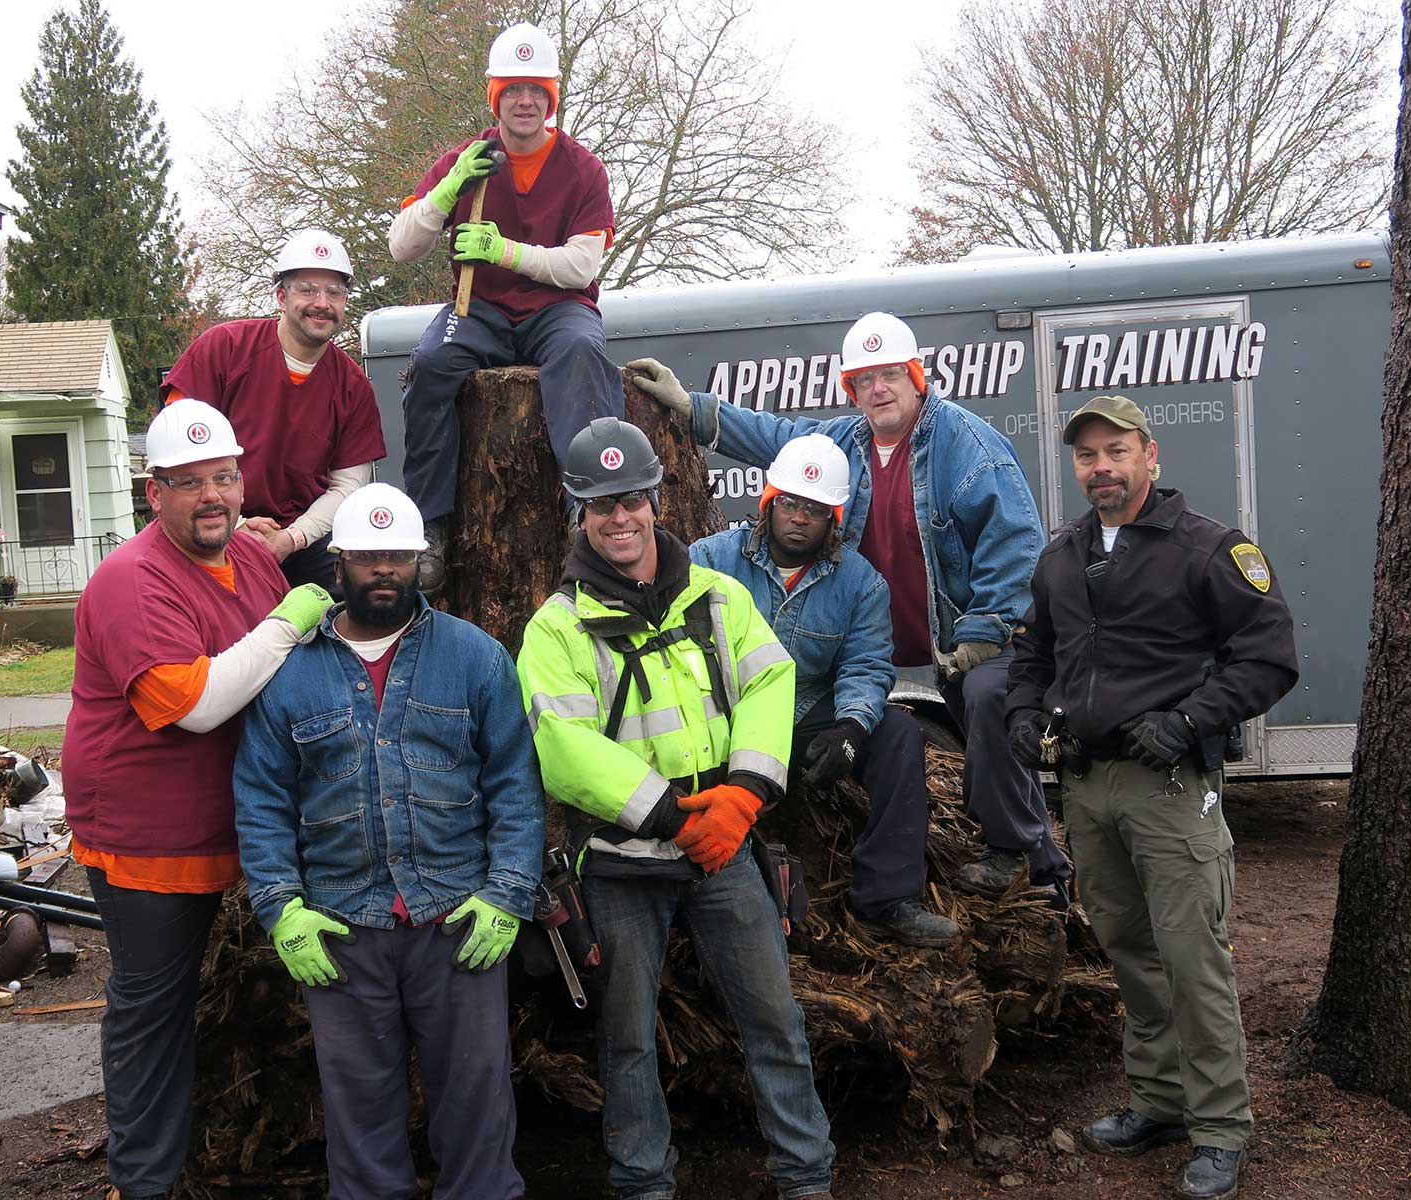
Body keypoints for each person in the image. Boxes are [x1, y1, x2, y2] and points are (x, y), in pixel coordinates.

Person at [628, 313, 1067, 897]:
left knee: (990, 701)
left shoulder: (968, 445)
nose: (878, 388)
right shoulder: (846, 443)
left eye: (890, 374)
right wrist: (693, 408)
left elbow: (1013, 542)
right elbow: (777, 440)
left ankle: (1023, 858)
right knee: (939, 729)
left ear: (917, 376)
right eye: (864, 379)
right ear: (851, 389)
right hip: (877, 629)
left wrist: (985, 629)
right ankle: (1037, 859)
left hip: (963, 634)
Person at [517, 418, 835, 1200]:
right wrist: (674, 818)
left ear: (656, 499)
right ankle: (643, 1183)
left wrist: (746, 795)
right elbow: (562, 747)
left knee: (775, 1022)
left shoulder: (716, 597)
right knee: (626, 1041)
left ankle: (806, 1176)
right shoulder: (555, 629)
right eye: (601, 505)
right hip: (626, 863)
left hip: (725, 846)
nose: (619, 518)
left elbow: (770, 681)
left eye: (631, 500)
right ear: (578, 512)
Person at [1004, 395, 1298, 1200]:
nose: (1101, 468)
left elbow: (1268, 658)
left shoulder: (1209, 550)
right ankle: (1161, 1101)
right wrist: (1025, 716)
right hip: (1089, 787)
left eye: (1115, 451)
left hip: (1170, 788)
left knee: (1192, 955)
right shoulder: (1060, 557)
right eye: (1086, 456)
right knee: (1129, 949)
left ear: (1150, 455)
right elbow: (1034, 655)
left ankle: (1220, 1129)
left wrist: (1189, 718)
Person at [233, 481, 544, 1200]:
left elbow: (516, 787)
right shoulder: (289, 672)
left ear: (420, 563)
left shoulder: (475, 658)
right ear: (337, 566)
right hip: (342, 929)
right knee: (360, 1114)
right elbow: (261, 799)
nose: (384, 572)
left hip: (458, 922)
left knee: (476, 1108)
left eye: (398, 558)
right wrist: (281, 908)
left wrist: (507, 894)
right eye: (368, 558)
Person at [61, 400, 334, 1200]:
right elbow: (199, 704)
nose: (213, 496)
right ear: (155, 492)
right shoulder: (129, 583)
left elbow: (281, 679)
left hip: (243, 821)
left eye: (225, 477)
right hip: (145, 835)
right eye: (190, 483)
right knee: (153, 1007)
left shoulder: (251, 560)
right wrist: (287, 625)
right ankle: (144, 1182)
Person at [689, 434, 957, 948]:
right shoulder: (710, 559)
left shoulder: (860, 584)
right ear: (768, 502)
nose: (798, 518)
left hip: (804, 711)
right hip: (723, 716)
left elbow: (866, 664)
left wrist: (852, 728)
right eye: (788, 503)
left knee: (899, 734)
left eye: (814, 509)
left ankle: (888, 898)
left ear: (834, 518)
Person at [387, 21, 623, 593]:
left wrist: (504, 250)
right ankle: (432, 528)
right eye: (513, 89)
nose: (525, 100)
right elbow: (401, 246)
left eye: (536, 89)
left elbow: (581, 267)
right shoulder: (466, 160)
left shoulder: (583, 168)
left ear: (550, 98)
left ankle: (587, 509)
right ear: (496, 96)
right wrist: (446, 194)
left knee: (581, 352)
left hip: (558, 309)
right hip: (480, 309)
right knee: (432, 365)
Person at [161, 228, 387, 587]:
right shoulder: (224, 348)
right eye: (307, 289)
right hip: (210, 523)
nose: (322, 303)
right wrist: (235, 527)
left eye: (334, 292)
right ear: (281, 296)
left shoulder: (353, 386)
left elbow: (348, 487)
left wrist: (289, 539)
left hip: (302, 538)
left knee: (342, 620)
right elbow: (174, 448)